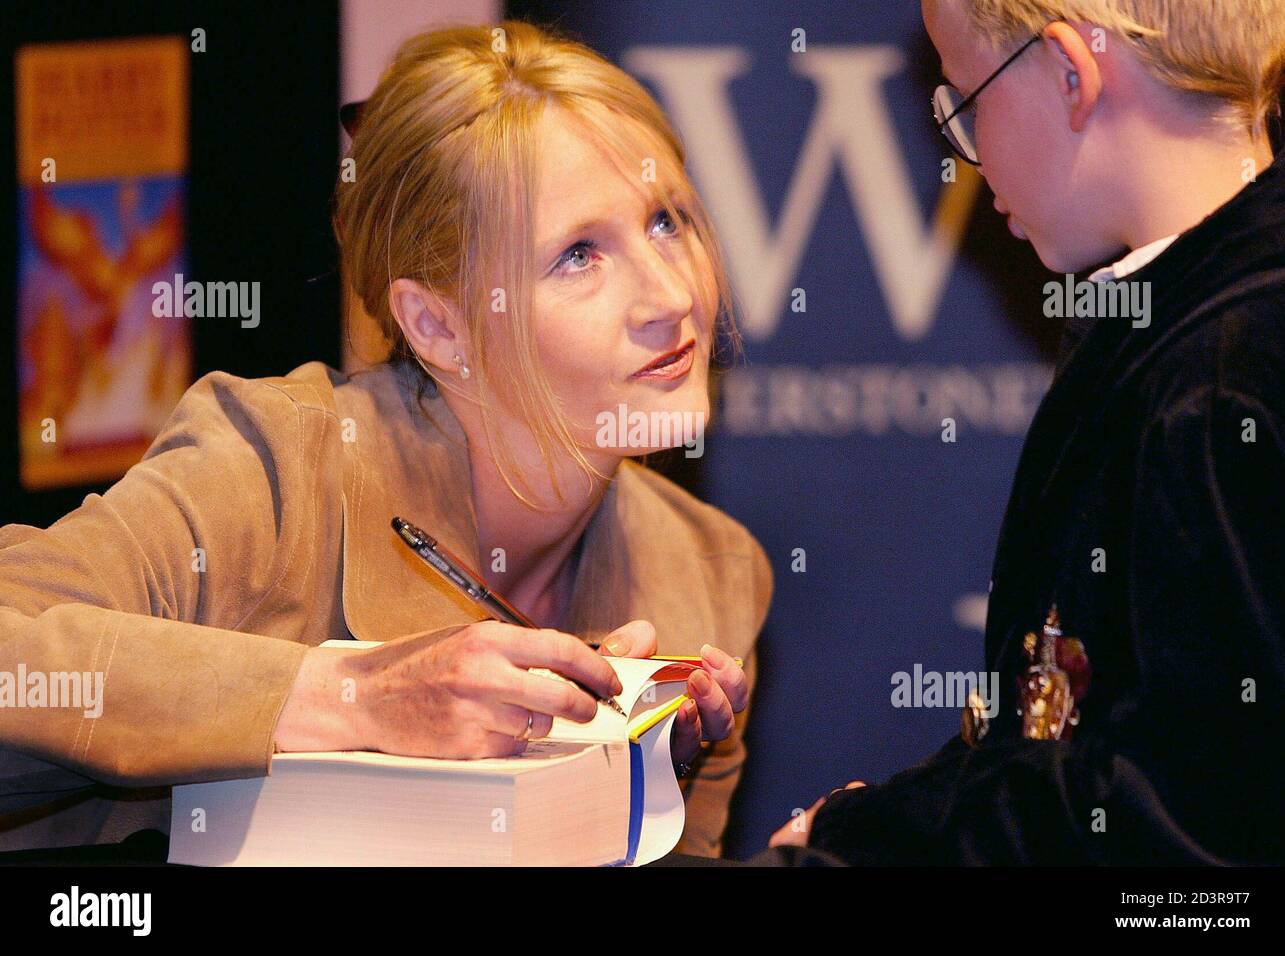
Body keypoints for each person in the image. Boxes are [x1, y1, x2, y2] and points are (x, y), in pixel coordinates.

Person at [0, 21, 772, 859]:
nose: (670, 296)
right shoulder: (277, 472)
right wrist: (355, 694)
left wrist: (639, 798)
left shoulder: (712, 573)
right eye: (579, 255)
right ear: (438, 327)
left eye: (666, 221)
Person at [771, 0, 1285, 864]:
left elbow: (1193, 826)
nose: (969, 155)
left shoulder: (1221, 386)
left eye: (968, 103)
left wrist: (880, 840)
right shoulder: (1198, 327)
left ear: (1070, 72)